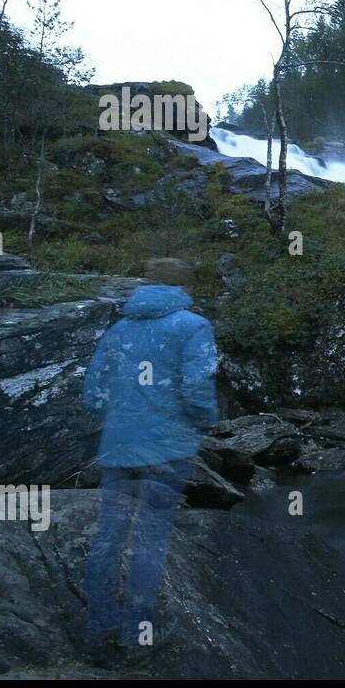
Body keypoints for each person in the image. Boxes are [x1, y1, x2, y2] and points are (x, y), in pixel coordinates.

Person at [82, 257, 219, 650]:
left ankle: (98, 628)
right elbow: (197, 389)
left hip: (118, 449)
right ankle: (137, 637)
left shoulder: (118, 329)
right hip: (168, 451)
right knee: (150, 541)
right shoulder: (194, 326)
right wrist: (205, 420)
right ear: (183, 289)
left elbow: (94, 395)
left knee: (108, 538)